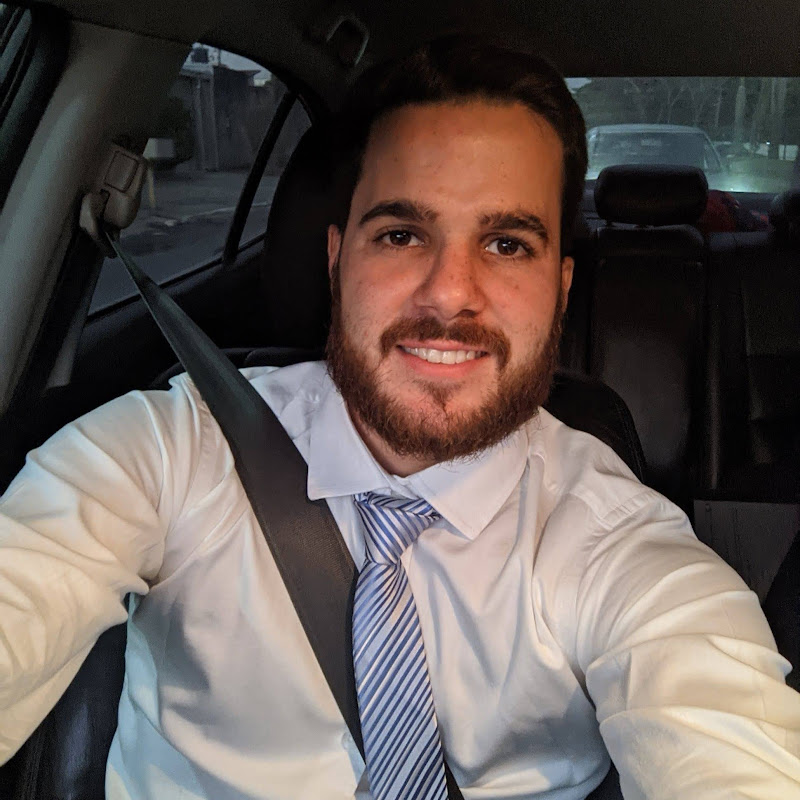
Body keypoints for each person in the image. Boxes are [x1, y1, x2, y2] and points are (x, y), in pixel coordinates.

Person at [1, 37, 800, 800]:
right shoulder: (170, 451)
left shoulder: (615, 543)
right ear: (337, 259)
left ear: (561, 289)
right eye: (401, 234)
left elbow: (720, 729)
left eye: (506, 245)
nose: (449, 293)